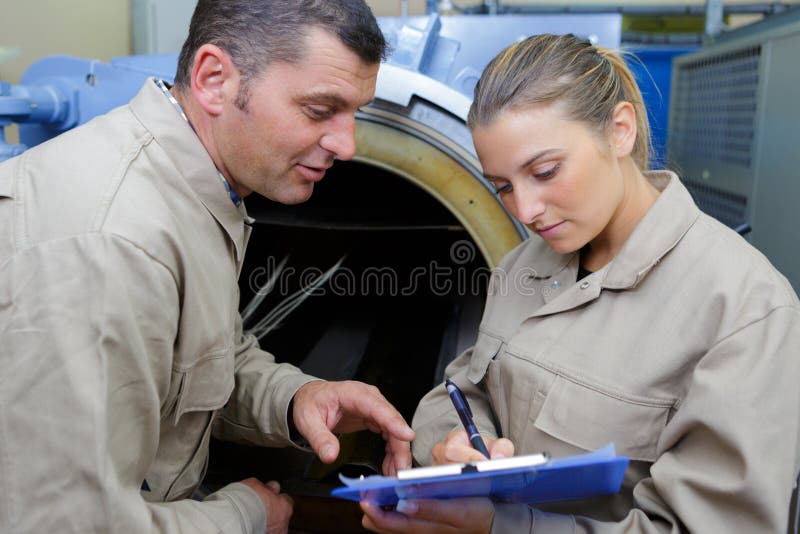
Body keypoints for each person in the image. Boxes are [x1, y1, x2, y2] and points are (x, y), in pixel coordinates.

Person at [0, 1, 415, 533]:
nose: (347, 144)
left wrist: (295, 399)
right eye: (318, 111)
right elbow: (72, 525)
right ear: (214, 80)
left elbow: (192, 358)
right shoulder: (112, 246)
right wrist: (245, 514)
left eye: (354, 112)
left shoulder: (193, 188)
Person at [360, 33, 800, 533]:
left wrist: (499, 526)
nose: (524, 210)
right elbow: (461, 393)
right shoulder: (522, 265)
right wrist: (458, 447)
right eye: (502, 186)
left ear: (619, 131)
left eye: (545, 171)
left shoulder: (743, 310)